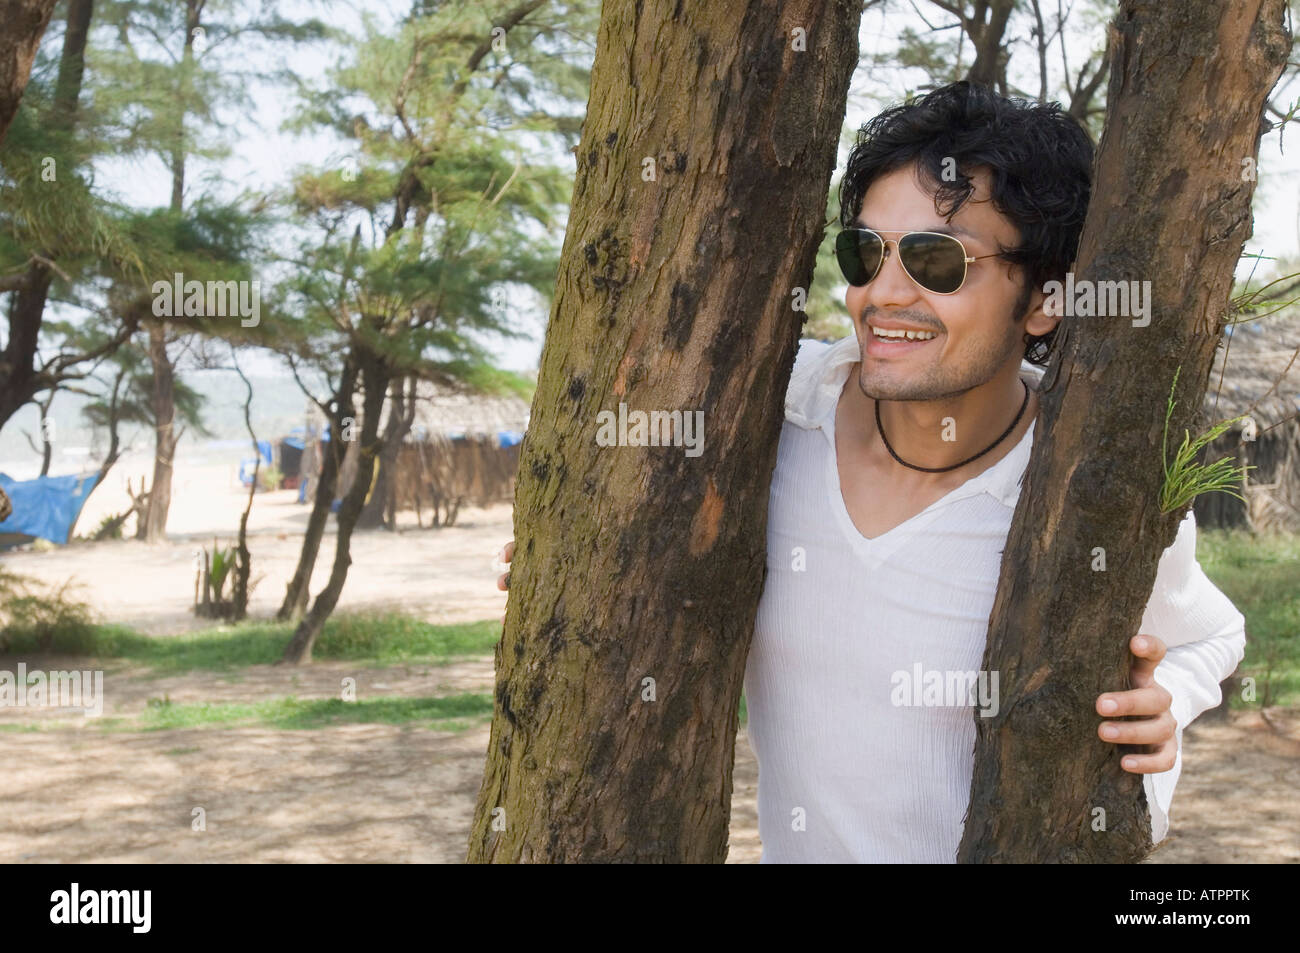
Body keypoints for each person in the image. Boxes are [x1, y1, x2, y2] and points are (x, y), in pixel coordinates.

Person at [496, 82, 1246, 862]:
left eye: (936, 260)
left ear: (1046, 297)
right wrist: (570, 567)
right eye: (865, 252)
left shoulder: (1085, 492)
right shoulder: (773, 413)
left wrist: (1165, 704)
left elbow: (1215, 635)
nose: (882, 293)